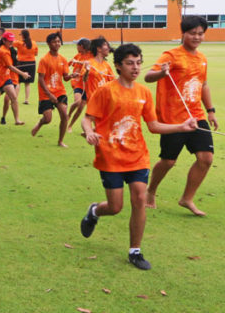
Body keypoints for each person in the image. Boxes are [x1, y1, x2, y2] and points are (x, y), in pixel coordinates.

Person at [80, 44, 197, 270]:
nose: (135, 68)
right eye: (130, 63)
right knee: (115, 207)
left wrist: (182, 126)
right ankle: (94, 211)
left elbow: (153, 126)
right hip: (110, 157)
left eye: (138, 62)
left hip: (137, 157)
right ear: (118, 66)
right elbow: (88, 118)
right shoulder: (106, 91)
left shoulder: (143, 92)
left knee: (139, 200)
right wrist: (89, 132)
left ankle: (135, 251)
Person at [145, 15, 219, 216]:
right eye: (192, 33)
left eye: (200, 33)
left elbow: (203, 85)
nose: (196, 37)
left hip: (196, 115)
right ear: (183, 33)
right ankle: (150, 190)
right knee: (168, 160)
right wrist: (162, 73)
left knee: (206, 158)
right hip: (173, 119)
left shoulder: (202, 59)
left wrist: (210, 111)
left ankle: (187, 199)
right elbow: (148, 76)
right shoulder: (171, 55)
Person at [30, 32, 71, 147]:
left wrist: (72, 76)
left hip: (60, 91)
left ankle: (60, 141)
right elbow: (41, 79)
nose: (57, 43)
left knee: (64, 115)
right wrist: (49, 94)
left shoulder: (63, 59)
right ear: (48, 44)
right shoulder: (44, 60)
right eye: (54, 41)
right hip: (46, 92)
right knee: (48, 119)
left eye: (58, 41)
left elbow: (66, 77)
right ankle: (40, 123)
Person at [0, 32, 29, 126]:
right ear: (4, 40)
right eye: (9, 41)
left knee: (13, 97)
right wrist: (23, 74)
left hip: (5, 77)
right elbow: (10, 67)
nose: (11, 42)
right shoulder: (3, 51)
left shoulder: (7, 49)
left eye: (12, 40)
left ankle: (17, 120)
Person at [67, 38, 93, 132]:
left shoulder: (91, 55)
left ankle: (70, 125)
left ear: (81, 46)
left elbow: (90, 64)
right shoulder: (78, 55)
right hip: (78, 83)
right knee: (77, 102)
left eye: (77, 45)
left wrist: (79, 63)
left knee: (81, 108)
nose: (76, 47)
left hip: (87, 85)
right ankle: (68, 115)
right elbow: (68, 64)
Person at [83, 37, 115, 104]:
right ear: (99, 49)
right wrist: (87, 71)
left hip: (105, 100)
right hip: (93, 101)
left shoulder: (106, 65)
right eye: (106, 45)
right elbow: (84, 79)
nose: (108, 48)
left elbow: (113, 82)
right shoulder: (89, 63)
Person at [14, 29, 38, 104]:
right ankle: (26, 100)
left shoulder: (19, 43)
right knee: (27, 83)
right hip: (31, 64)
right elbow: (36, 54)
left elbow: (11, 43)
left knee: (18, 82)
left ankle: (15, 99)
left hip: (21, 63)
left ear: (23, 35)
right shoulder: (34, 43)